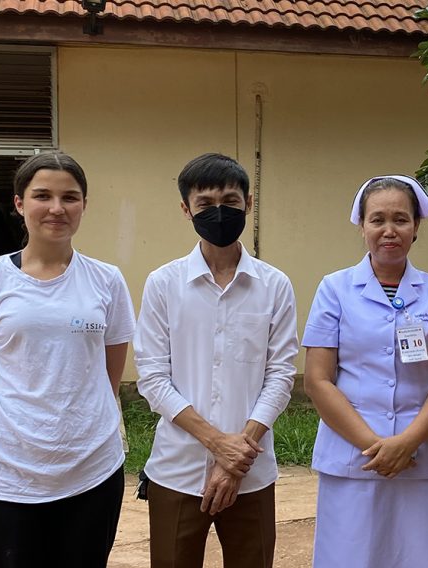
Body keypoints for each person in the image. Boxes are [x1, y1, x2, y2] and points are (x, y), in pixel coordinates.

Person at [0, 152, 134, 568]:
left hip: (92, 471)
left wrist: (81, 418)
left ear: (84, 205)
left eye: (70, 197)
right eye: (42, 195)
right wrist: (10, 425)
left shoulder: (107, 280)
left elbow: (110, 369)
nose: (57, 208)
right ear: (19, 204)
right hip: (4, 476)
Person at [135, 153, 299, 568]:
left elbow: (280, 375)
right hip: (177, 471)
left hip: (252, 473)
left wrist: (237, 455)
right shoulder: (163, 284)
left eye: (230, 199)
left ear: (249, 202)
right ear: (186, 209)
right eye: (205, 203)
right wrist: (217, 443)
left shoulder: (274, 285)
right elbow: (153, 377)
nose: (219, 211)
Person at [303, 175, 428, 568]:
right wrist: (375, 447)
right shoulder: (334, 289)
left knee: (427, 558)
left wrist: (407, 442)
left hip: (423, 456)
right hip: (353, 457)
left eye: (400, 219)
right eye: (377, 220)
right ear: (362, 226)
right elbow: (318, 379)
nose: (389, 231)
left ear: (416, 227)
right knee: (351, 558)